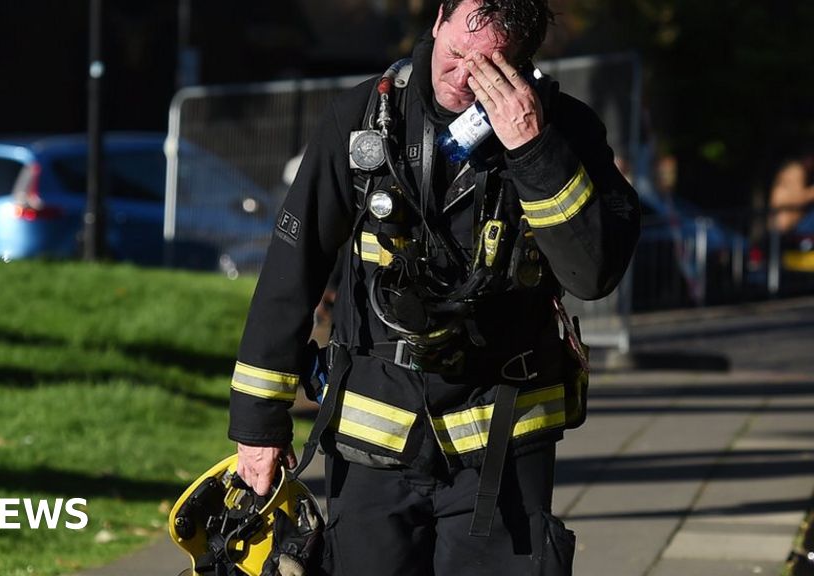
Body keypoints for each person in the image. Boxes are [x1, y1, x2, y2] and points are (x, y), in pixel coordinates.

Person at [228, 1, 640, 574]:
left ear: (520, 65)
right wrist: (258, 426)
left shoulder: (565, 132)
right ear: (440, 20)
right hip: (375, 439)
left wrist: (533, 150)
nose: (461, 77)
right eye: (455, 55)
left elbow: (592, 275)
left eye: (488, 67)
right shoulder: (361, 121)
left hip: (502, 441)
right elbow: (289, 273)